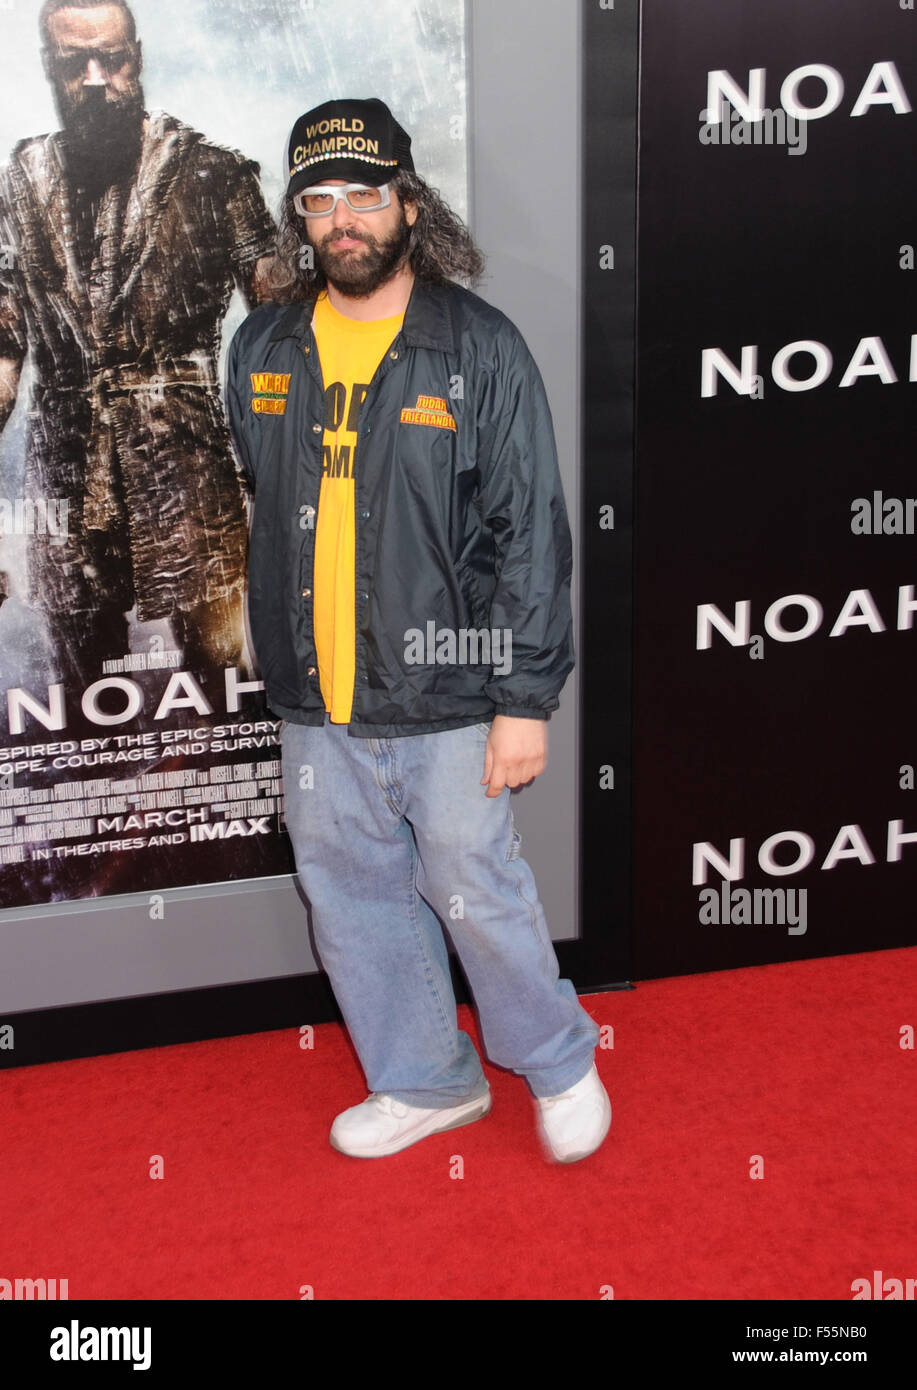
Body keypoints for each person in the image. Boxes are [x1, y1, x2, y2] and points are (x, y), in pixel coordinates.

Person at [226, 97, 611, 1163]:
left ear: (407, 201)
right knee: (348, 892)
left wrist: (523, 700)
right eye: (318, 200)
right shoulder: (261, 344)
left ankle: (558, 1058)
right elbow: (266, 507)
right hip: (319, 697)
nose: (341, 218)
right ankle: (425, 1079)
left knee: (473, 885)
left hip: (451, 690)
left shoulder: (475, 345)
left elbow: (530, 532)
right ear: (298, 219)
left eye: (363, 193)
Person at [0, 0, 276, 690]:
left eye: (112, 58)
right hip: (65, 464)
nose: (95, 79)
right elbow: (3, 346)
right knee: (76, 686)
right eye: (74, 64)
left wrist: (292, 488)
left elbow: (287, 335)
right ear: (48, 68)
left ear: (138, 57)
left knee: (223, 673)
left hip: (185, 458)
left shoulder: (213, 174)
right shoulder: (19, 186)